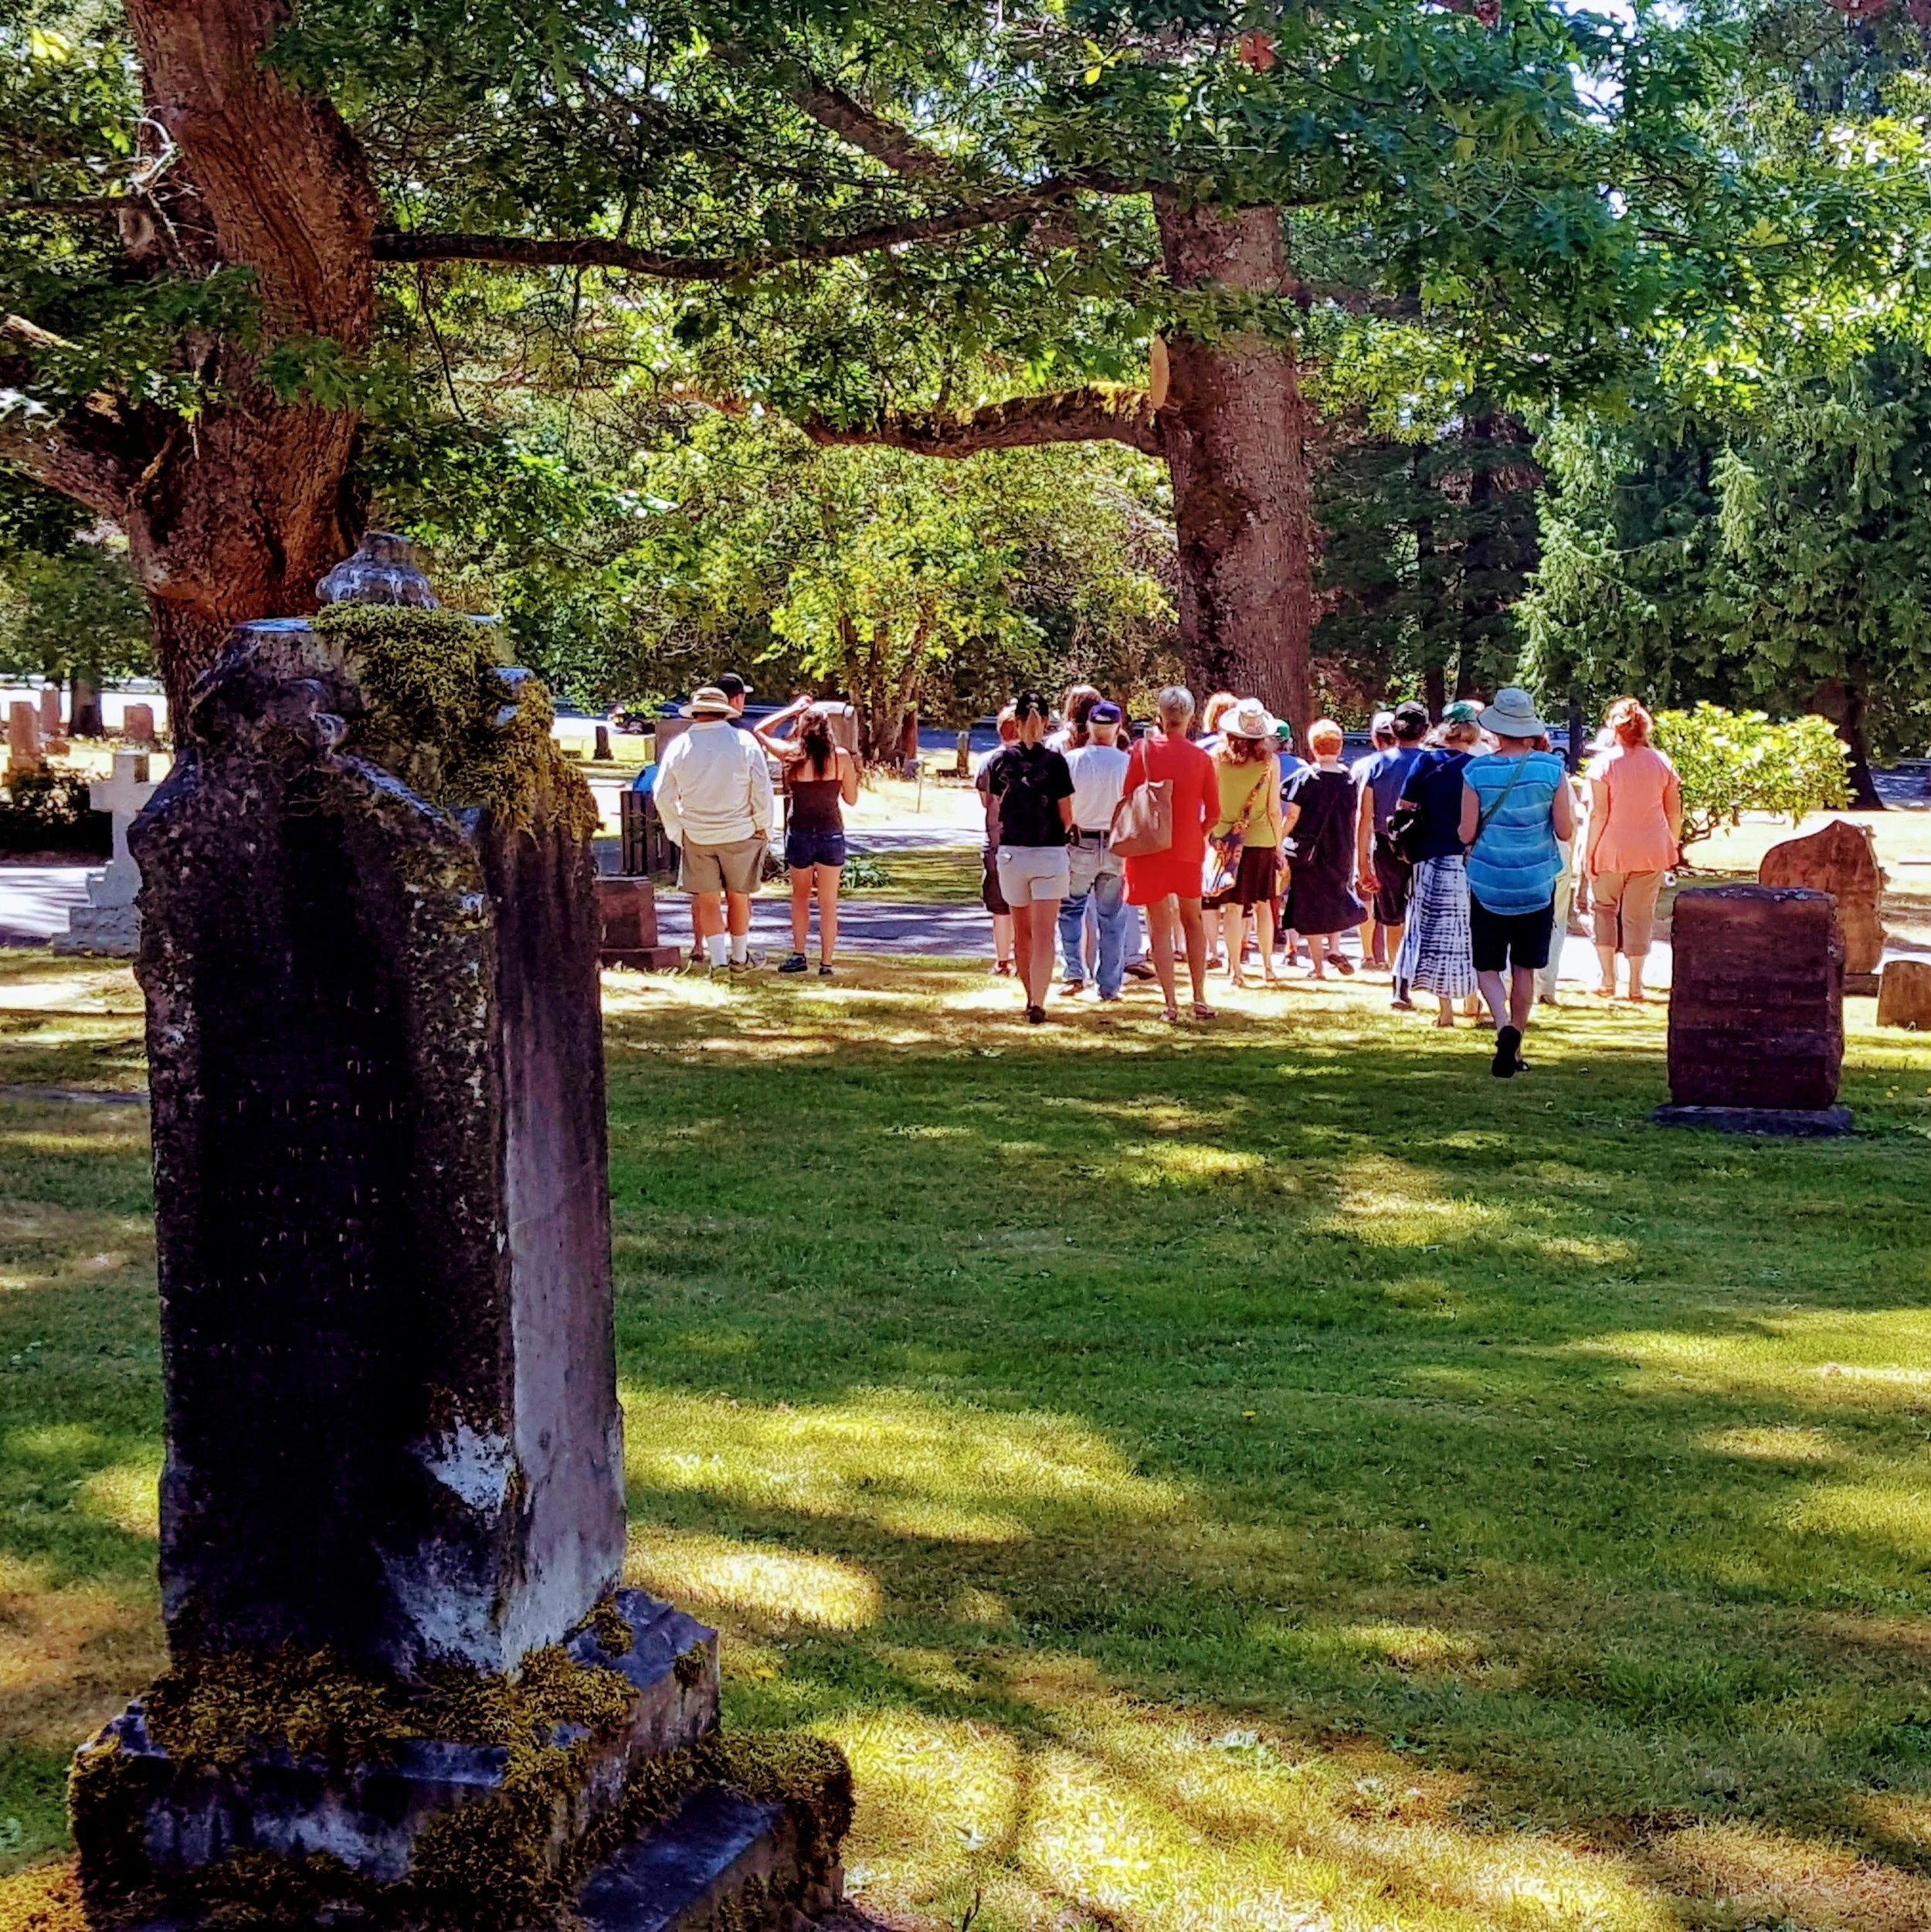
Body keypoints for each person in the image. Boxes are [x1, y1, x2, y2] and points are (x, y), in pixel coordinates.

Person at [1459, 688, 1573, 1077]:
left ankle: (1502, 1024)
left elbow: (1466, 832)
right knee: (1525, 968)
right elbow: (1565, 830)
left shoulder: (1476, 772)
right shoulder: (1551, 770)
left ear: (1495, 729)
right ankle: (1517, 1042)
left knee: (1488, 968)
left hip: (1489, 881)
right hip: (1536, 881)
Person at [653, 684, 775, 974]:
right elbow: (762, 789)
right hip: (741, 831)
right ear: (725, 711)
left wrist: (676, 830)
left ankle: (718, 962)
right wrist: (763, 826)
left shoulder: (679, 746)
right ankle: (740, 958)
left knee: (707, 900)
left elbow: (661, 793)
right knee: (738, 896)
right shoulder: (743, 741)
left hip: (697, 834)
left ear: (695, 712)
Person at [1121, 685, 1217, 1021]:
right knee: (1193, 921)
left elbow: (1129, 796)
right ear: (1190, 718)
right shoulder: (1202, 758)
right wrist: (1197, 833)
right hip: (1188, 849)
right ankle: (1200, 997)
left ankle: (1170, 1004)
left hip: (1150, 848)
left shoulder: (1142, 751)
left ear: (1160, 716)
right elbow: (1215, 812)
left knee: (1158, 925)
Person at [983, 691, 1075, 1024]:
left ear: (1016, 722)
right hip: (1049, 853)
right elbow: (1067, 815)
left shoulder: (999, 762)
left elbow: (992, 806)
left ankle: (1028, 996)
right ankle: (1039, 996)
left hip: (1013, 854)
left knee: (1023, 932)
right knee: (1045, 932)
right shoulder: (1056, 763)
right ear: (1047, 722)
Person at [1586, 697, 1682, 1003]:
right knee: (1640, 915)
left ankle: (1607, 979)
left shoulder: (1604, 763)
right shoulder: (1661, 762)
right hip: (1652, 848)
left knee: (1603, 909)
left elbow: (1597, 814)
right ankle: (1636, 985)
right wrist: (1672, 845)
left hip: (1611, 846)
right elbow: (1674, 813)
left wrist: (1588, 854)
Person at [755, 698, 860, 976]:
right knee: (829, 902)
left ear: (801, 729)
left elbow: (761, 731)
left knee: (800, 898)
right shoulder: (841, 757)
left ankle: (799, 954)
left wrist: (792, 709)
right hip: (830, 833)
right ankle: (826, 963)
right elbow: (851, 799)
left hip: (799, 832)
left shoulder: (792, 754)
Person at [1393, 705, 1482, 1024]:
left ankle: (1445, 1011)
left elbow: (1403, 805)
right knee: (1470, 930)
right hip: (1470, 859)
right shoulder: (1479, 767)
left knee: (1434, 932)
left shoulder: (1427, 762)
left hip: (1430, 855)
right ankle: (1474, 1002)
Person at [1205, 699, 1285, 987]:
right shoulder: (1270, 762)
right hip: (1261, 838)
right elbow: (1274, 809)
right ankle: (1267, 967)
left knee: (1233, 908)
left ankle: (1235, 969)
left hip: (1225, 840)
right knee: (1264, 904)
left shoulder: (1215, 758)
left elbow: (1209, 803)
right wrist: (1278, 847)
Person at [1057, 700, 1133, 1000]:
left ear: (1090, 726)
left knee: (1071, 909)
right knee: (1112, 917)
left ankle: (1074, 972)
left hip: (1080, 840)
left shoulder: (1073, 760)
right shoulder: (1127, 764)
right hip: (1115, 844)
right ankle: (1109, 986)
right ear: (1117, 728)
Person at [1282, 721, 1367, 980]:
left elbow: (1293, 816)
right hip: (1341, 849)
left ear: (1312, 747)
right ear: (1340, 746)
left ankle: (1317, 967)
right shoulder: (1351, 780)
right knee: (1336, 897)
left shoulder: (1305, 778)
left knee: (1309, 906)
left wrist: (1279, 840)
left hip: (1308, 852)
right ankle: (1336, 948)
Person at [1355, 700, 1429, 981]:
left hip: (1386, 845)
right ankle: (1417, 971)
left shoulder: (1376, 764)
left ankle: (1400, 978)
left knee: (1391, 915)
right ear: (1424, 731)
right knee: (1421, 911)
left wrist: (1362, 863)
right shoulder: (1430, 763)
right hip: (1423, 846)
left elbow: (1365, 816)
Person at [976, 706, 1020, 975]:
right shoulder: (1037, 759)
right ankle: (1024, 955)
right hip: (1027, 840)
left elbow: (985, 801)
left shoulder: (988, 760)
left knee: (1000, 906)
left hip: (996, 839)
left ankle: (1003, 960)